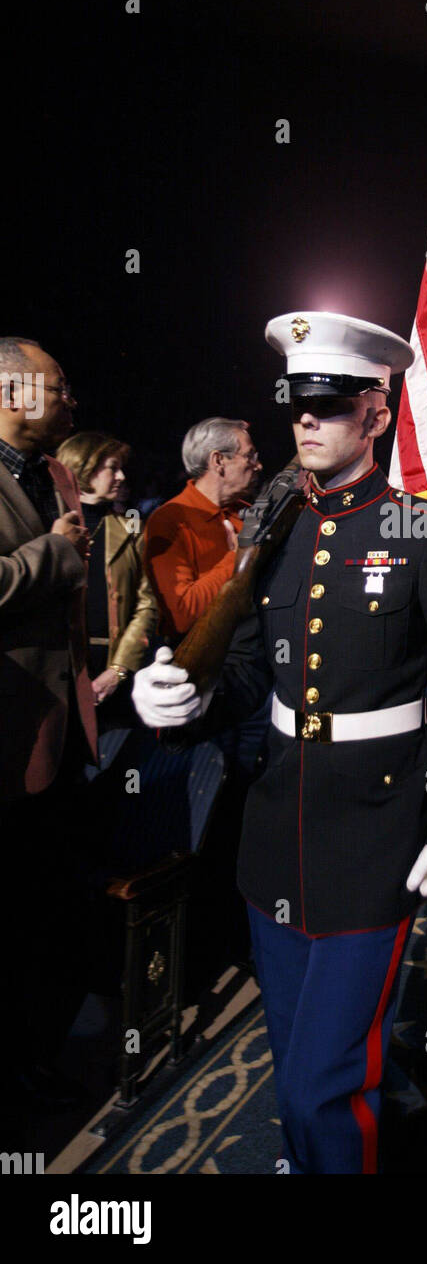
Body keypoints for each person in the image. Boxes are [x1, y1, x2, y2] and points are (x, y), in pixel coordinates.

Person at [132, 312, 427, 1174]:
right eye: (298, 403)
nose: (306, 420)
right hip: (272, 839)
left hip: (375, 840)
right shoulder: (278, 526)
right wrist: (185, 699)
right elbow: (253, 676)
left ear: (376, 413)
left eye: (329, 405)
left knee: (324, 1084)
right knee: (294, 1055)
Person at [0, 337, 97, 1105]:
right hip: (7, 731)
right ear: (12, 393)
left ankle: (36, 1051)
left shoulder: (57, 474)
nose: (70, 398)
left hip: (63, 732)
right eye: (56, 386)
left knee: (49, 906)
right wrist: (56, 555)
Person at [56, 431, 157, 728]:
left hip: (112, 673)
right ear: (84, 467)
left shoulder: (133, 530)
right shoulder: (48, 523)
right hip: (55, 673)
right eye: (112, 467)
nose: (122, 476)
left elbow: (147, 605)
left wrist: (118, 670)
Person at [143, 417, 262, 644]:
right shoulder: (170, 521)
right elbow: (182, 614)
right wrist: (237, 558)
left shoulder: (249, 514)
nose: (258, 465)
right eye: (250, 456)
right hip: (203, 668)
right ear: (218, 460)